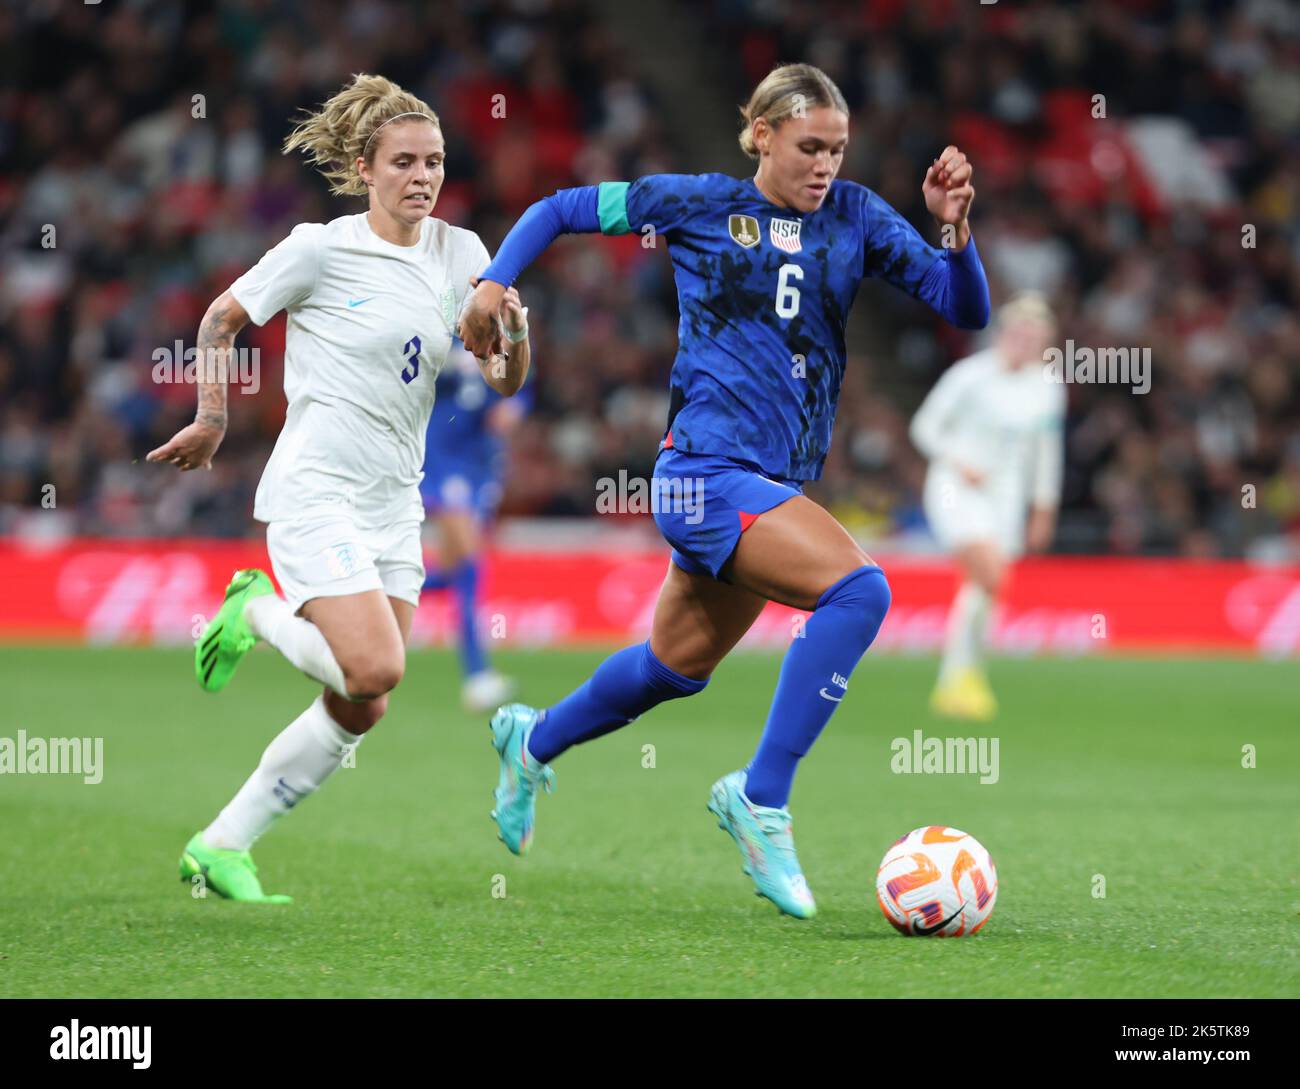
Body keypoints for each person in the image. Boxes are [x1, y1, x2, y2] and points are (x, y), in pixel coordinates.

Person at [458, 63, 989, 919]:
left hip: (767, 482)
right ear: (763, 135)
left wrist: (956, 234)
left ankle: (532, 737)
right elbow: (558, 209)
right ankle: (761, 795)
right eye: (809, 146)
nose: (825, 164)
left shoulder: (854, 217)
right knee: (860, 589)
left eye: (838, 149)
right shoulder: (700, 203)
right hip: (701, 473)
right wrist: (491, 281)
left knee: (672, 670)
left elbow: (963, 310)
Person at [146, 74, 528, 902]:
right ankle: (253, 610)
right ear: (366, 167)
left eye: (434, 161)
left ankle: (220, 844)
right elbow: (221, 318)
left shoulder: (463, 254)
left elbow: (500, 380)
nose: (423, 176)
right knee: (376, 666)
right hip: (318, 487)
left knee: (363, 705)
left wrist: (517, 338)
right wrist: (211, 417)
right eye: (404, 162)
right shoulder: (319, 247)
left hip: (397, 502)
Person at [910, 292, 1064, 720]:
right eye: (1019, 332)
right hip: (955, 488)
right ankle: (963, 676)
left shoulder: (1048, 388)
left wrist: (1043, 510)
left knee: (984, 588)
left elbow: (1046, 454)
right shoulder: (970, 375)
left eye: (1034, 336)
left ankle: (959, 679)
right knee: (989, 573)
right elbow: (923, 426)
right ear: (1003, 332)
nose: (1025, 341)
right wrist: (959, 461)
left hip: (1007, 497)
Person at [419, 342, 530, 712]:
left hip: (480, 462)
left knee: (452, 573)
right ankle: (477, 676)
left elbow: (522, 385)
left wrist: (514, 407)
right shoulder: (437, 328)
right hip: (442, 457)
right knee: (469, 563)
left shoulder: (504, 335)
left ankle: (356, 600)